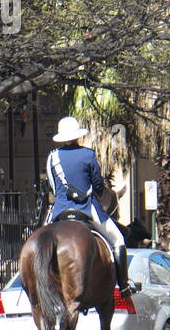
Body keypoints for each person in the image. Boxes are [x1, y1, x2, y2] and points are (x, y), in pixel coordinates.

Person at [45, 116, 130, 292]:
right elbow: (98, 188)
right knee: (118, 239)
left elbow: (53, 187)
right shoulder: (88, 154)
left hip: (59, 210)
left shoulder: (52, 157)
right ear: (77, 136)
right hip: (86, 208)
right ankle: (124, 285)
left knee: (42, 241)